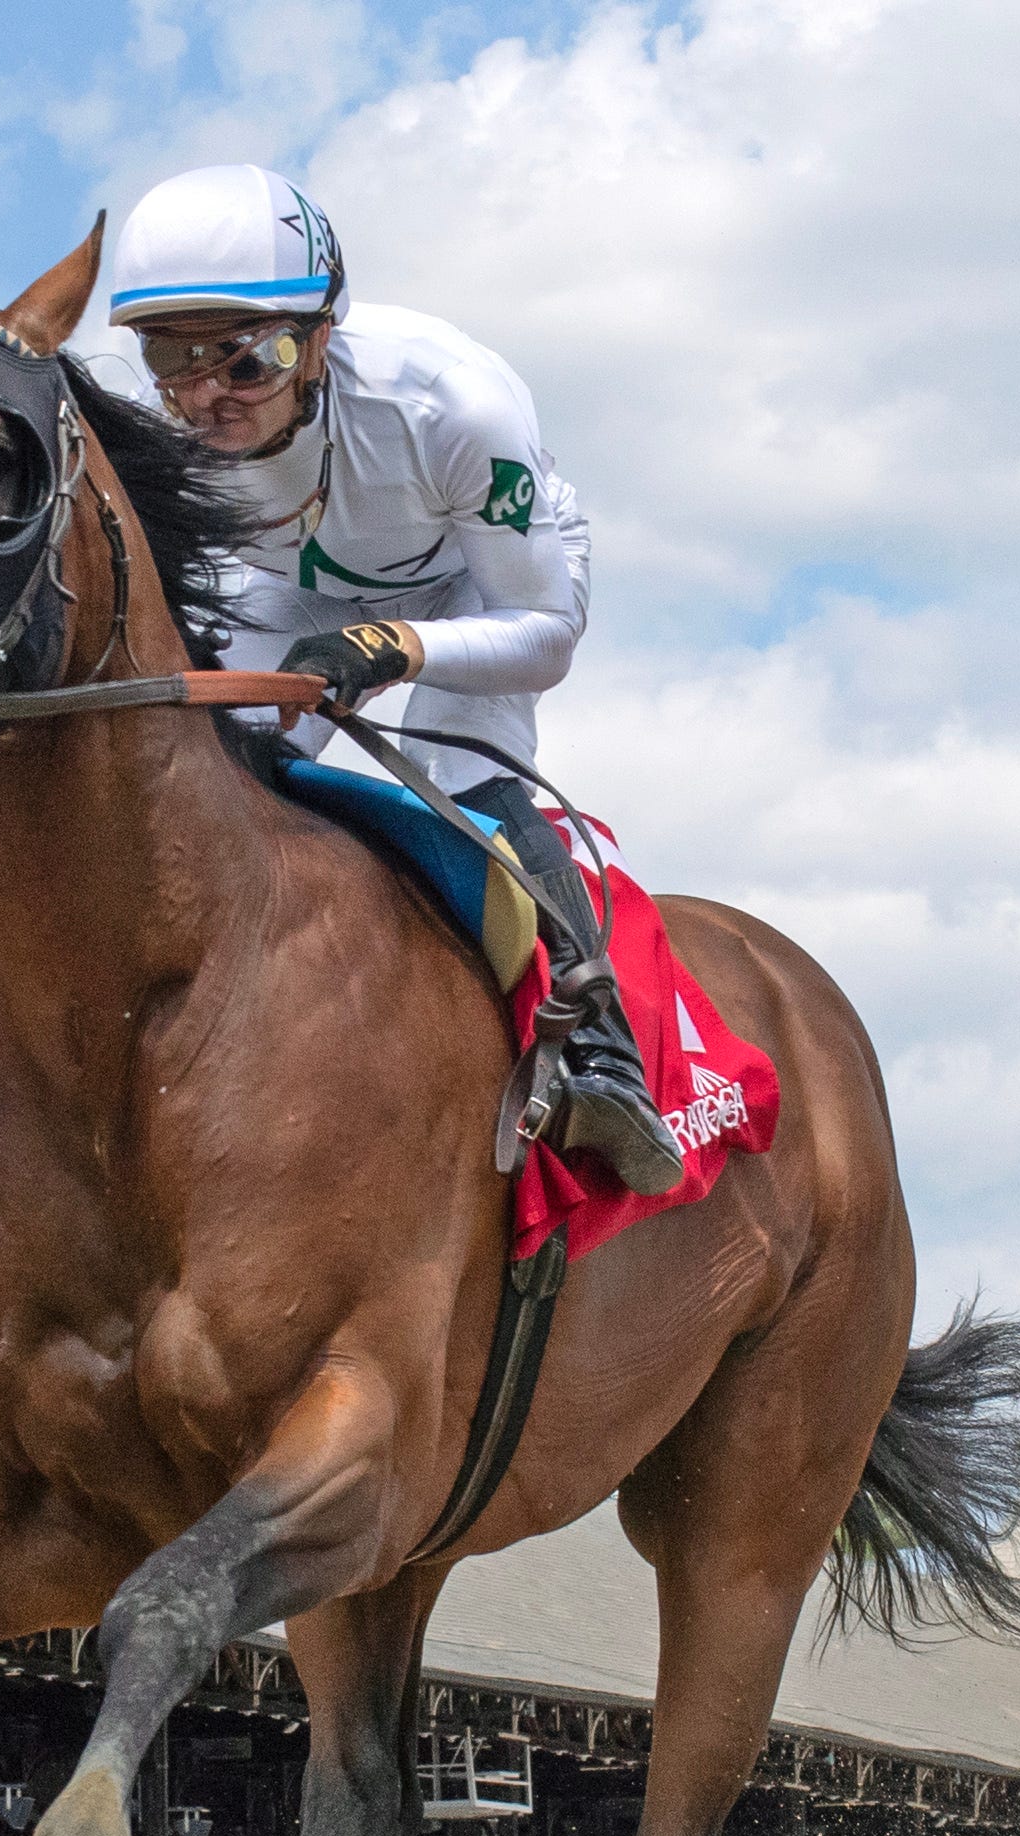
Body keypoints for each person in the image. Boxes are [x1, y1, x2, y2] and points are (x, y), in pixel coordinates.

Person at [104, 162, 682, 1196]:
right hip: (292, 587)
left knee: (458, 776)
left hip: (482, 584)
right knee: (216, 774)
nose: (203, 398)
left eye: (248, 360)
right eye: (170, 358)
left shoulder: (453, 406)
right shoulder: (155, 420)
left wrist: (396, 646)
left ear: (320, 336)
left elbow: (545, 633)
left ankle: (602, 1052)